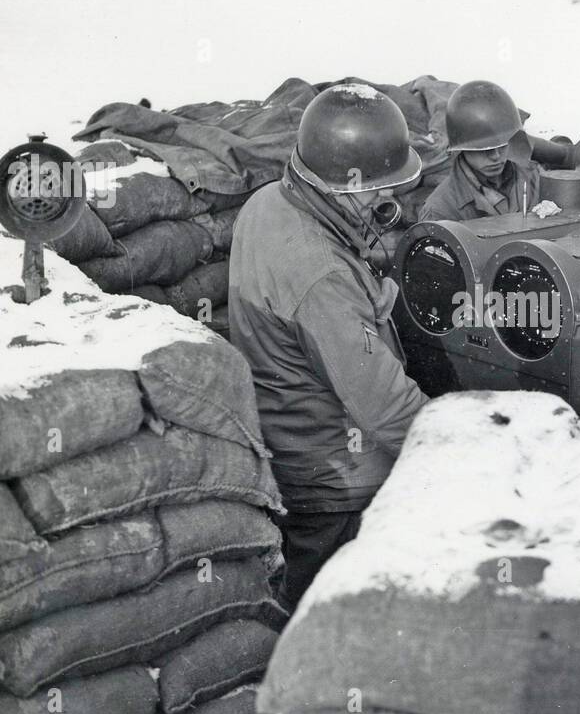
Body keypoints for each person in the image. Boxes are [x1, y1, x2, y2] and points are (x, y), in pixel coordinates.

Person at [228, 83, 429, 608]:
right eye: (375, 189)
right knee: (337, 610)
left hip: (292, 442)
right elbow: (386, 410)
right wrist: (459, 450)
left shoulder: (268, 202)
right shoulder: (319, 275)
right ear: (339, 185)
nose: (389, 200)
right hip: (339, 478)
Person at [418, 80, 543, 222]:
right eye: (484, 149)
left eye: (502, 146)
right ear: (462, 149)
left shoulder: (534, 178)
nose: (496, 156)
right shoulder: (440, 209)